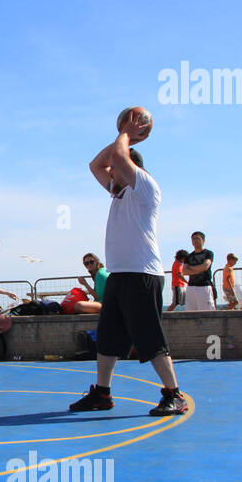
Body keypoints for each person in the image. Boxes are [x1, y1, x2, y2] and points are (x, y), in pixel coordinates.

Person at [70, 111, 187, 416]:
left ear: (131, 169)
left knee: (149, 338)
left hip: (142, 275)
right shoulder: (117, 193)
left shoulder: (146, 188)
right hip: (120, 276)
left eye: (118, 167)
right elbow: (95, 164)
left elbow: (119, 160)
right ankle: (102, 394)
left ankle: (174, 394)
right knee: (108, 339)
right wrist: (122, 136)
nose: (110, 171)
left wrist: (127, 134)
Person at [182, 231, 216, 311]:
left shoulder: (208, 253)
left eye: (197, 238)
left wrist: (190, 267)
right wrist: (198, 270)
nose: (195, 241)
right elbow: (184, 271)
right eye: (193, 239)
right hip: (191, 287)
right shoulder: (189, 256)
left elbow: (205, 267)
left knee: (207, 312)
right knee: (190, 312)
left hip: (204, 287)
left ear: (203, 240)